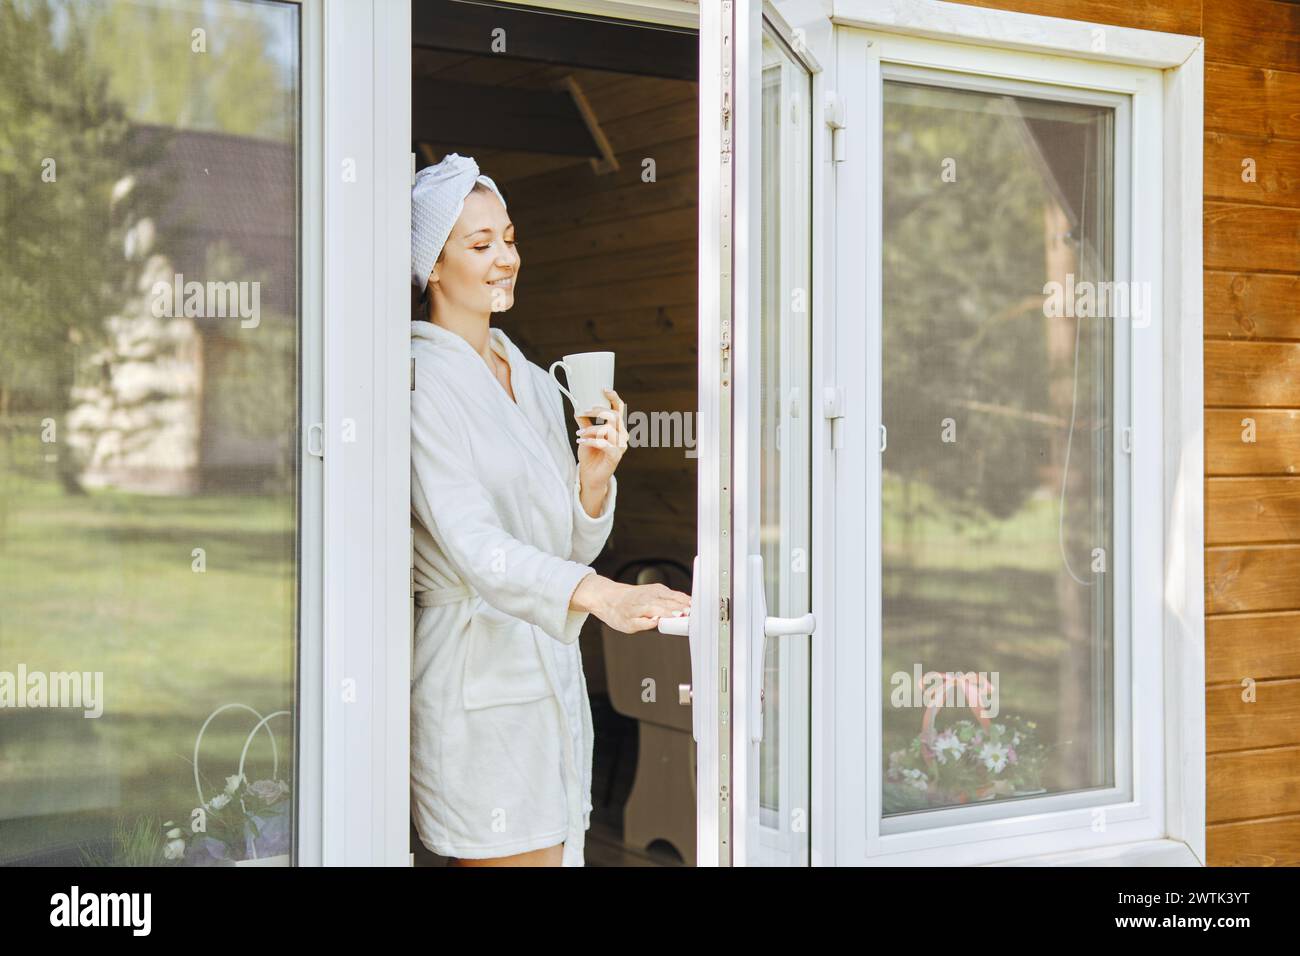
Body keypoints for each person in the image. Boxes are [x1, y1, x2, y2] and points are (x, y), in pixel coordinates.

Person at [409, 153, 692, 867]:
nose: (506, 258)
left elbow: (568, 541)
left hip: (548, 676)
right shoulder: (417, 384)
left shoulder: (531, 378)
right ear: (432, 268)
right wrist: (600, 597)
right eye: (480, 245)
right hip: (474, 678)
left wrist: (594, 480)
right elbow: (474, 544)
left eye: (509, 238)